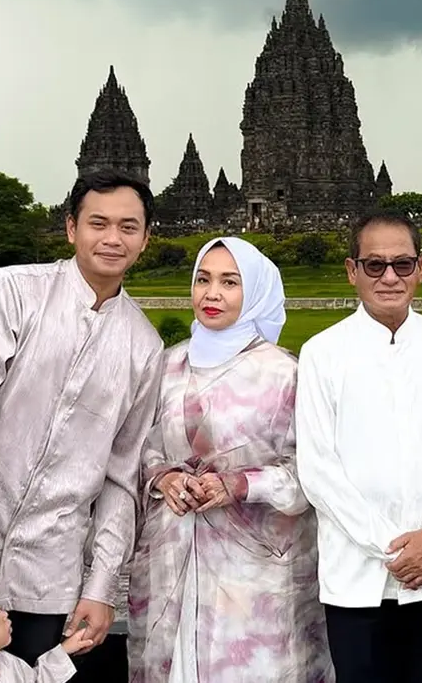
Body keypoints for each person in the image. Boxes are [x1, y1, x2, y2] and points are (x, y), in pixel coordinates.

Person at [0, 170, 165, 670]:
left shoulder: (145, 346)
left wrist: (101, 586)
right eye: (98, 223)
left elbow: (121, 477)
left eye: (128, 227)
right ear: (71, 228)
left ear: (146, 238)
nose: (112, 238)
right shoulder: (14, 292)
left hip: (49, 573)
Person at [127, 236, 332, 682]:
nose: (212, 293)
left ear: (254, 291)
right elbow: (140, 448)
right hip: (171, 558)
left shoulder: (284, 372)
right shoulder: (168, 365)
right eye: (203, 280)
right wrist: (164, 479)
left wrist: (240, 485)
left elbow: (311, 472)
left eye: (229, 282)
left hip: (253, 575)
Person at [296, 211, 422, 683]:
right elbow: (318, 469)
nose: (390, 277)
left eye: (403, 264)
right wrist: (392, 549)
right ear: (352, 271)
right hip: (354, 577)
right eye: (374, 265)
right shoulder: (322, 352)